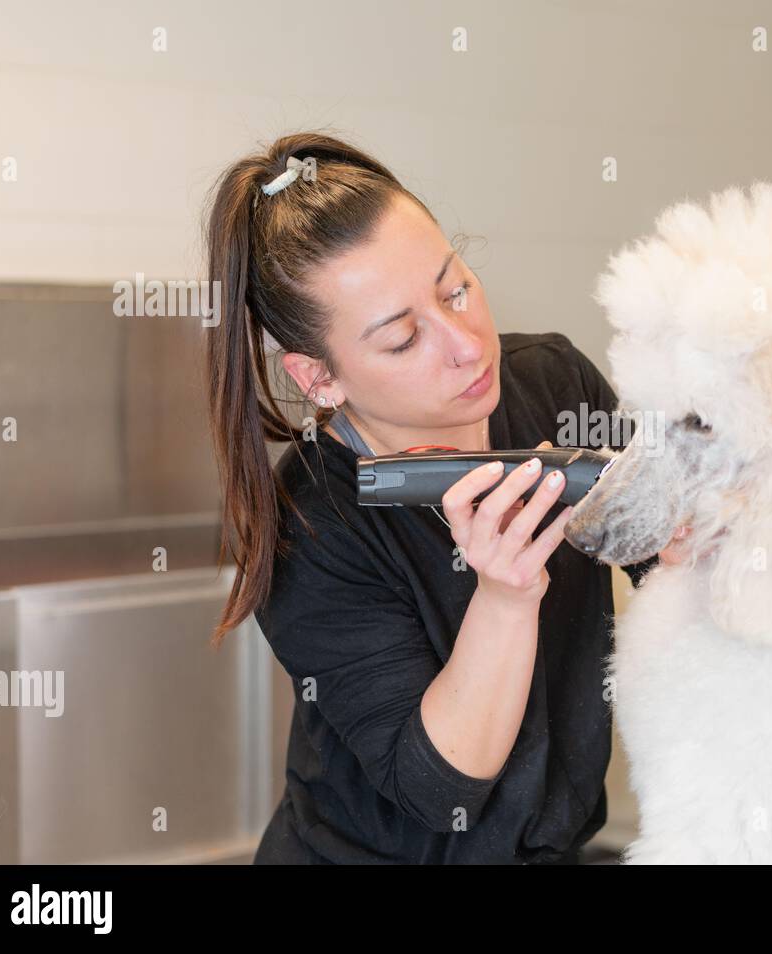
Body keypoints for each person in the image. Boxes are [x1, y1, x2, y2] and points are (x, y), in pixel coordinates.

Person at [201, 132, 693, 863]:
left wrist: (698, 533)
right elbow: (440, 790)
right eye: (403, 339)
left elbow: (668, 560)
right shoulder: (307, 526)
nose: (467, 344)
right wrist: (504, 598)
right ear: (319, 379)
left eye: (456, 289)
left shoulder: (555, 385)